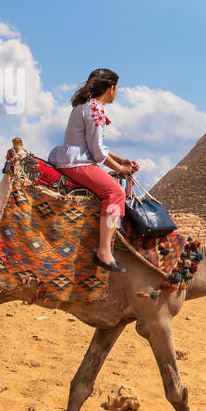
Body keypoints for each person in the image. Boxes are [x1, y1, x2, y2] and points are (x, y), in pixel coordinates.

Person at [47, 68, 141, 272]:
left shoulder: (82, 105)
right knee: (115, 192)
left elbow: (95, 146)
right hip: (78, 163)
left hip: (69, 158)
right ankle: (105, 252)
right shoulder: (96, 108)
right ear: (112, 88)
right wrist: (121, 170)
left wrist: (122, 160)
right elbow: (97, 152)